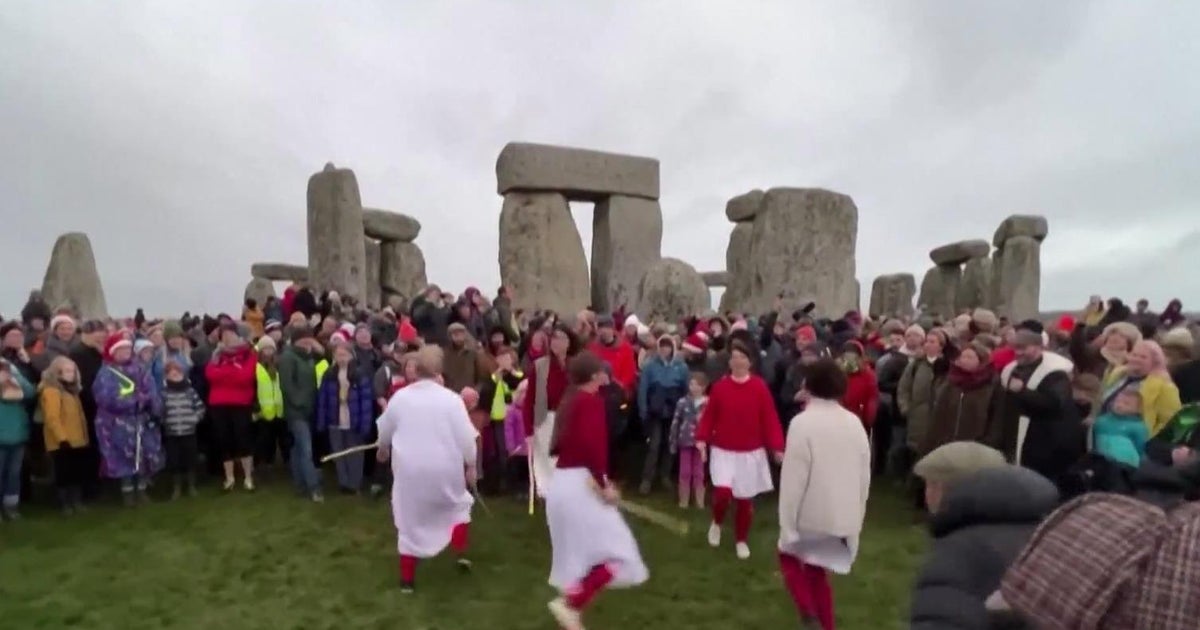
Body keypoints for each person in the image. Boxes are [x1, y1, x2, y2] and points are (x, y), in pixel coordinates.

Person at [544, 352, 649, 630]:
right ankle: (571, 604)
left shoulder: (572, 400)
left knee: (586, 555)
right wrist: (605, 485)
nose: (607, 373)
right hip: (582, 484)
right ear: (594, 376)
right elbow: (592, 447)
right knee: (620, 552)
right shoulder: (591, 402)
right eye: (603, 370)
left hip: (566, 482)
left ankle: (571, 609)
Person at [908, 442, 1059, 630]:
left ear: (943, 489)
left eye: (931, 483)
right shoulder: (1049, 539)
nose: (926, 495)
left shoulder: (958, 554)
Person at [776, 357, 871, 629]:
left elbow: (794, 479)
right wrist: (856, 516)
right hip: (843, 515)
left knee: (788, 556)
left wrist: (788, 525)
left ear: (809, 384)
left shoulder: (802, 423)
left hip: (811, 514)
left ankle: (808, 614)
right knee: (817, 571)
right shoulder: (854, 422)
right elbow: (864, 475)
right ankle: (826, 625)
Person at [376, 345, 478, 594]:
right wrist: (471, 465)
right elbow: (467, 439)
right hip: (445, 468)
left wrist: (382, 447)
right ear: (439, 371)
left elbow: (384, 431)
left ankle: (407, 581)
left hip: (410, 469)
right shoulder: (452, 400)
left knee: (409, 518)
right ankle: (460, 553)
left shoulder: (400, 398)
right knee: (457, 505)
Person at [695, 341, 785, 559]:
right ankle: (716, 522)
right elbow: (709, 417)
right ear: (730, 361)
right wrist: (701, 439)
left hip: (750, 452)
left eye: (742, 357)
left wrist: (777, 447)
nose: (737, 361)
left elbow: (769, 419)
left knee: (744, 500)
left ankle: (741, 539)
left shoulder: (759, 387)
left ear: (750, 362)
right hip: (724, 450)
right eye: (734, 357)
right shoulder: (720, 387)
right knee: (723, 494)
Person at [997, 328, 1083, 488]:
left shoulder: (1056, 373)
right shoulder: (1012, 369)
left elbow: (1054, 404)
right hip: (1016, 436)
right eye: (1015, 348)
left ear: (1038, 347)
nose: (1018, 353)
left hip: (1046, 442)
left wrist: (1023, 391)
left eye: (1023, 348)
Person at [93, 333, 165, 506]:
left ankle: (141, 491)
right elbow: (106, 398)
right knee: (123, 458)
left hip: (140, 421)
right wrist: (136, 400)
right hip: (116, 424)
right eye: (121, 349)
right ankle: (127, 494)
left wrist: (152, 405)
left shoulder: (140, 369)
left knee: (143, 455)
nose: (126, 351)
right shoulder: (106, 373)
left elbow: (152, 391)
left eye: (127, 348)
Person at [523, 324, 578, 497]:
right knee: (547, 462)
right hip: (545, 419)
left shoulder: (575, 366)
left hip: (569, 420)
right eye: (554, 338)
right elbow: (529, 400)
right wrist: (528, 431)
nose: (556, 342)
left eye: (561, 338)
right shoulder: (540, 366)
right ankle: (549, 496)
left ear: (569, 342)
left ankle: (566, 494)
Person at [205, 323, 258, 491]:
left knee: (243, 439)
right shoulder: (217, 354)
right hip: (218, 404)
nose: (227, 338)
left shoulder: (249, 353)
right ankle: (229, 478)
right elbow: (210, 375)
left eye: (230, 334)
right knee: (223, 440)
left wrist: (225, 373)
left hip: (241, 403)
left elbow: (246, 376)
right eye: (224, 335)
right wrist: (232, 371)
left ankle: (248, 477)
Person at [923, 342, 1002, 454]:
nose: (964, 360)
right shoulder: (950, 382)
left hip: (976, 447)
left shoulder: (991, 386)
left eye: (969, 357)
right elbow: (937, 415)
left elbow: (995, 419)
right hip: (946, 445)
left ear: (981, 360)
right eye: (962, 357)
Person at [316, 343, 375, 493]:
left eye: (344, 355)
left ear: (351, 356)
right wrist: (322, 421)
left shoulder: (359, 374)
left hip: (353, 419)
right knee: (339, 452)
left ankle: (355, 484)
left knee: (354, 452)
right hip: (335, 419)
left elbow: (366, 401)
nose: (341, 358)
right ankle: (344, 482)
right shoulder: (329, 374)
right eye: (338, 355)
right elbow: (323, 399)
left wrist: (364, 424)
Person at [636, 335, 689, 495]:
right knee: (654, 445)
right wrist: (643, 409)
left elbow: (686, 389)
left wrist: (686, 411)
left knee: (670, 444)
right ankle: (647, 479)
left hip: (674, 410)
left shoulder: (681, 367)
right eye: (662, 346)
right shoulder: (650, 366)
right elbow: (643, 389)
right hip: (656, 411)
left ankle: (665, 475)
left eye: (668, 346)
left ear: (673, 348)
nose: (665, 349)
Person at [278, 327, 324, 502]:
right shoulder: (288, 358)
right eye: (306, 339)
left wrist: (319, 349)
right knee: (306, 448)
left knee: (298, 448)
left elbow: (326, 357)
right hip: (296, 411)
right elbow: (287, 386)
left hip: (309, 409)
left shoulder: (309, 356)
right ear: (297, 340)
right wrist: (300, 403)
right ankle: (314, 488)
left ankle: (300, 483)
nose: (309, 342)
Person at [39, 356, 89, 514]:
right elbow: (52, 417)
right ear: (57, 372)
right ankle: (65, 504)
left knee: (76, 472)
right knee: (63, 474)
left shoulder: (72, 390)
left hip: (77, 439)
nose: (71, 374)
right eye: (66, 371)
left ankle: (76, 501)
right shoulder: (51, 391)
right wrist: (62, 439)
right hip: (63, 441)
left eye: (73, 371)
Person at [161, 359, 204, 498]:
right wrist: (165, 422)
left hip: (189, 431)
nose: (174, 375)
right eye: (171, 373)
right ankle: (177, 488)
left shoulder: (190, 391)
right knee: (174, 461)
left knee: (190, 459)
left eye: (177, 372)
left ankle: (191, 486)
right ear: (166, 376)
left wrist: (194, 419)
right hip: (172, 433)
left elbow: (200, 408)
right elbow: (160, 411)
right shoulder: (164, 393)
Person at [0, 357, 36, 520]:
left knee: (14, 473)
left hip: (17, 434)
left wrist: (16, 376)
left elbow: (30, 392)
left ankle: (11, 506)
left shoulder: (13, 376)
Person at [669, 372, 708, 509]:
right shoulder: (682, 402)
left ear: (703, 387)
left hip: (700, 443)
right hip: (684, 441)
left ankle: (700, 502)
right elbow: (676, 422)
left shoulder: (708, 403)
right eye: (691, 384)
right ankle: (683, 501)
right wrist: (673, 440)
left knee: (699, 472)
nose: (694, 387)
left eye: (697, 385)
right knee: (684, 471)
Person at [1091, 388, 1150, 469]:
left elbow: (1140, 447)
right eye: (1117, 401)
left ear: (1138, 409)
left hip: (1125, 465)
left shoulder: (1138, 427)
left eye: (1126, 404)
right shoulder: (1102, 420)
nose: (1120, 405)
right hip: (1100, 461)